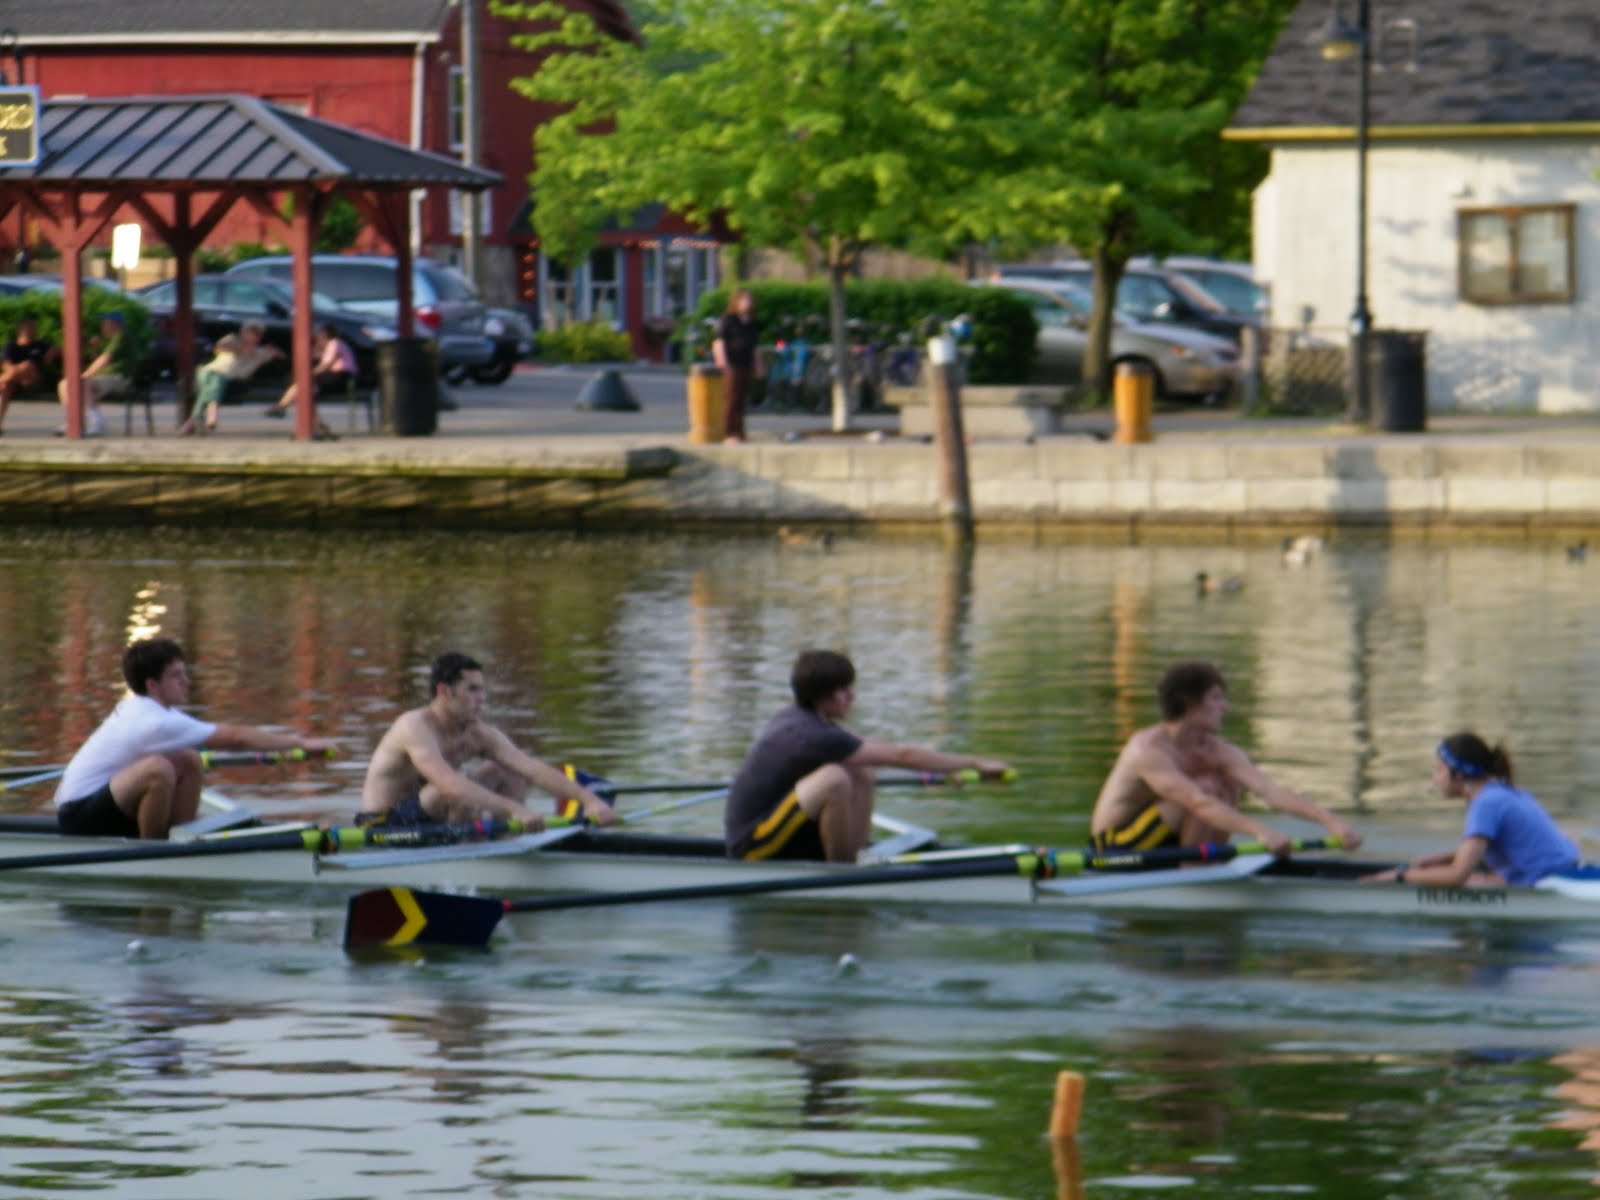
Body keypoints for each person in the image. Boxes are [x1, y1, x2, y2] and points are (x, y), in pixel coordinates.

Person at [724, 649, 1012, 863]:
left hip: (777, 829)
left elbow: (883, 752)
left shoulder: (800, 716)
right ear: (828, 696)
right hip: (751, 844)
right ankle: (843, 874)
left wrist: (943, 771)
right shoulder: (811, 733)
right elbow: (904, 756)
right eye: (846, 690)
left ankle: (856, 856)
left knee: (861, 769)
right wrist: (975, 764)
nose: (852, 696)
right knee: (835, 779)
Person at [53, 637, 338, 840]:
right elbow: (235, 738)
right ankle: (153, 853)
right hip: (78, 815)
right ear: (152, 685)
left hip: (107, 804)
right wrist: (301, 744)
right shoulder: (152, 721)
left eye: (184, 673)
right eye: (177, 676)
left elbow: (228, 737)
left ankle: (181, 838)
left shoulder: (148, 708)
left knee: (188, 759)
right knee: (158, 769)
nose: (187, 682)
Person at [1089, 660, 1363, 858]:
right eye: (1216, 698)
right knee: (1205, 788)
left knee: (1227, 780)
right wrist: (1261, 832)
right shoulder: (1147, 749)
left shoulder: (1219, 751)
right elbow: (1198, 802)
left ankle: (1210, 861)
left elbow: (1269, 791)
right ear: (1189, 703)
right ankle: (1194, 872)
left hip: (1164, 838)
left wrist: (1332, 822)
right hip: (1116, 846)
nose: (1225, 706)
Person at [358, 651, 618, 829]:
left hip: (433, 821)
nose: (482, 697)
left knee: (508, 771)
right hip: (384, 826)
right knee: (448, 789)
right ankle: (471, 850)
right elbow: (449, 786)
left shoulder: (479, 733)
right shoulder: (414, 726)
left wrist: (589, 800)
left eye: (482, 689)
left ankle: (507, 844)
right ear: (444, 691)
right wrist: (514, 809)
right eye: (472, 689)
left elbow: (531, 768)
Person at [1362, 733, 1579, 887]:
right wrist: (1443, 858)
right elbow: (1508, 848)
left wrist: (1400, 877)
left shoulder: (1486, 804)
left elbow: (1456, 876)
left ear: (1458, 775)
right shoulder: (1504, 791)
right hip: (1562, 871)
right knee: (1458, 878)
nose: (1434, 779)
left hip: (1547, 884)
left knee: (1451, 881)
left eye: (1438, 770)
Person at [177, 321, 284, 436]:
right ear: (244, 332)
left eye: (257, 334)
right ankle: (210, 413)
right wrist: (240, 349)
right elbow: (219, 347)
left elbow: (282, 356)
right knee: (216, 379)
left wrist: (274, 351)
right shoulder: (232, 340)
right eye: (251, 332)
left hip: (231, 382)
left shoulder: (261, 352)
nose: (254, 336)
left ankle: (194, 420)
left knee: (212, 385)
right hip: (207, 373)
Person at [56, 310, 136, 437]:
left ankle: (98, 424)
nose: (102, 326)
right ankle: (71, 421)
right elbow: (101, 359)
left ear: (115, 324)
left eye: (105, 323)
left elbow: (105, 359)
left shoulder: (121, 336)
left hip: (120, 379)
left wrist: (85, 375)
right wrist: (94, 349)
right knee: (64, 384)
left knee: (84, 384)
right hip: (107, 377)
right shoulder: (113, 339)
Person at [267, 323, 357, 419]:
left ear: (324, 334)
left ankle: (281, 406)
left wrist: (309, 374)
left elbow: (326, 365)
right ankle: (318, 427)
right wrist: (316, 348)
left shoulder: (334, 343)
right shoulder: (330, 346)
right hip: (334, 377)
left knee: (304, 384)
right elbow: (315, 356)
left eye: (319, 334)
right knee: (305, 394)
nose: (317, 336)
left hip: (342, 376)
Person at [711, 287, 761, 444]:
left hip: (746, 362)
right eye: (744, 299)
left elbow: (754, 346)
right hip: (732, 363)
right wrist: (722, 361)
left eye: (749, 299)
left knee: (742, 398)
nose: (747, 303)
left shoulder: (751, 322)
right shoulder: (729, 319)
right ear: (736, 302)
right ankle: (729, 432)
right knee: (731, 398)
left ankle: (740, 431)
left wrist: (759, 365)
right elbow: (719, 341)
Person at [0, 316, 58, 434]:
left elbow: (51, 357)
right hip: (15, 382)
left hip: (35, 380)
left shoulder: (41, 345)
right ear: (20, 329)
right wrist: (19, 371)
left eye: (33, 326)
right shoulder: (11, 346)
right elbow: (6, 366)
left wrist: (53, 352)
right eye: (28, 326)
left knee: (28, 365)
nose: (31, 329)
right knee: (5, 387)